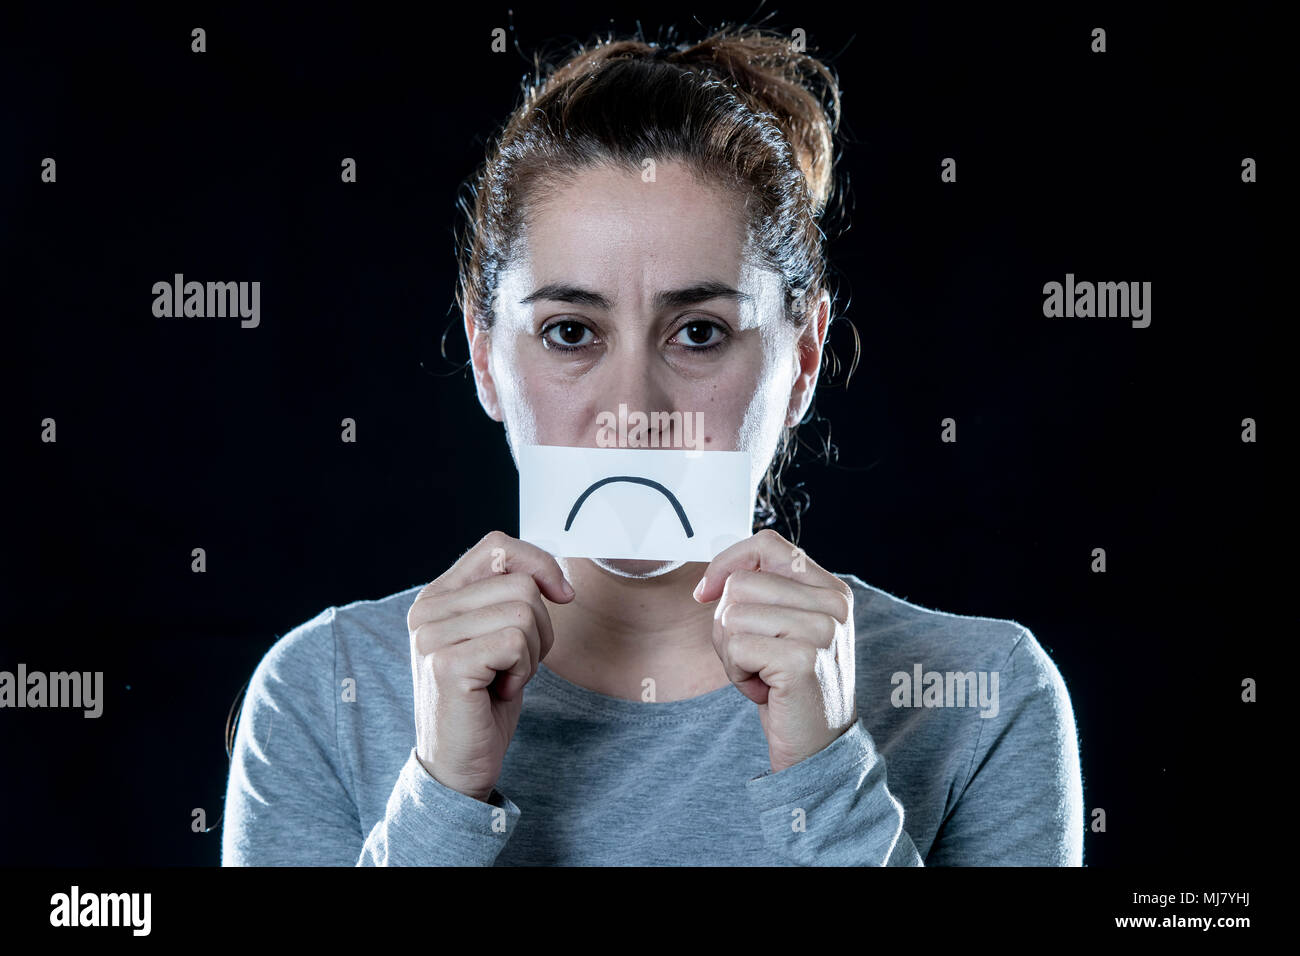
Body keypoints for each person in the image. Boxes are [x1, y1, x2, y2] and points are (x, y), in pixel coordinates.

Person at [222, 25, 1083, 866]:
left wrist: (826, 781)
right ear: (487, 359)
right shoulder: (323, 693)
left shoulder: (982, 694)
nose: (633, 409)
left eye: (700, 333)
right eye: (569, 331)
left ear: (804, 361)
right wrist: (443, 797)